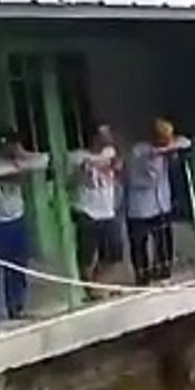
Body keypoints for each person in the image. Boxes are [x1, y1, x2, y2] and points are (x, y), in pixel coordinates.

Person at [0, 130, 48, 322]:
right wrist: (19, 167)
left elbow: (43, 160)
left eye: (11, 144)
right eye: (4, 145)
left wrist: (21, 156)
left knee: (18, 267)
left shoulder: (19, 158)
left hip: (16, 220)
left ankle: (16, 308)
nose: (8, 148)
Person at [125, 118, 190, 285]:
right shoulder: (138, 151)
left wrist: (168, 149)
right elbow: (146, 177)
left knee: (164, 240)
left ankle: (163, 271)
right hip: (141, 206)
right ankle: (142, 276)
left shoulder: (166, 148)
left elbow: (185, 142)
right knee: (139, 244)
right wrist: (158, 154)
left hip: (161, 203)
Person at [68, 125, 122, 292]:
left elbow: (118, 168)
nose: (107, 138)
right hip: (87, 211)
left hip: (107, 210)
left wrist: (115, 164)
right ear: (94, 138)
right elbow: (69, 182)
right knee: (87, 255)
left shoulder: (110, 153)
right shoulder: (77, 157)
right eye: (103, 135)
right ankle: (89, 287)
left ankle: (99, 284)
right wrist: (83, 170)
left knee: (114, 254)